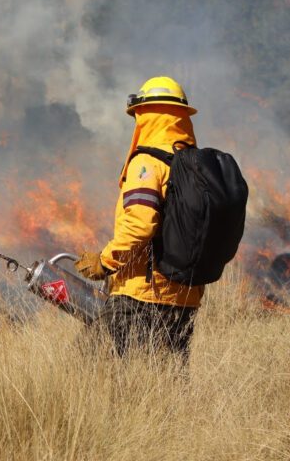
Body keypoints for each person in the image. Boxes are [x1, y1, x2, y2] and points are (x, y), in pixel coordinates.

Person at [74, 76, 203, 359]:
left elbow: (140, 224)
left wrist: (105, 262)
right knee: (168, 377)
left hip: (141, 295)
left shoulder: (147, 163)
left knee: (91, 367)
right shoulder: (195, 165)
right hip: (186, 297)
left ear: (145, 115)